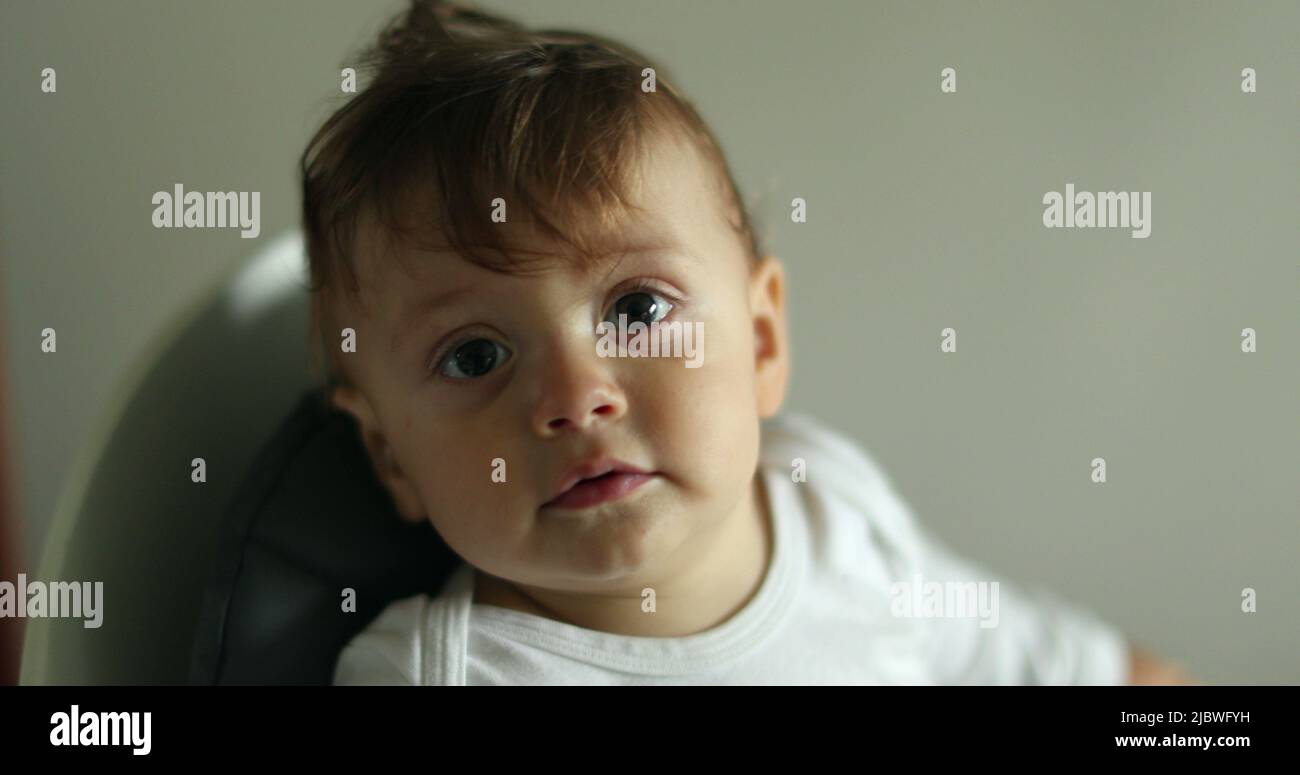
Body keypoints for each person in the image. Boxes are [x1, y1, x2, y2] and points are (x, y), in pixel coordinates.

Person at [303, 0, 1193, 685]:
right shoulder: (442, 674)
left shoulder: (834, 511)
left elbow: (1075, 667)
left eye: (639, 308)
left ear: (762, 341)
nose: (577, 397)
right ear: (390, 452)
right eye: (475, 356)